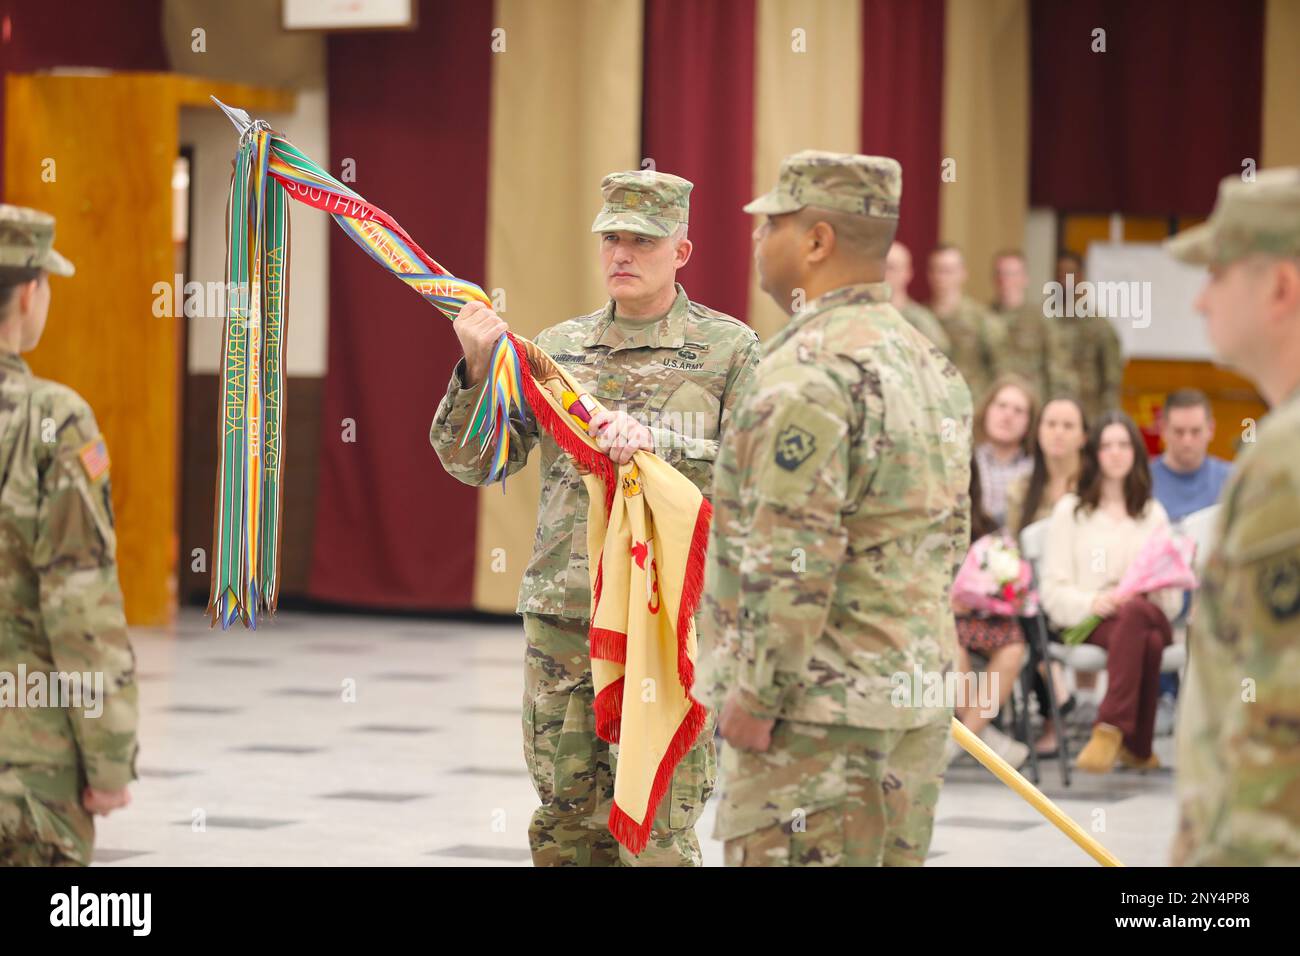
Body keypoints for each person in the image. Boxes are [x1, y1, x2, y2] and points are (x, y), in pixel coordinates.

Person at [430, 171, 760, 867]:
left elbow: (754, 478)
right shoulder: (559, 350)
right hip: (568, 615)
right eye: (611, 237)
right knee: (567, 821)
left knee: (658, 828)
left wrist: (658, 443)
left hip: (668, 620)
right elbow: (476, 462)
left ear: (682, 251)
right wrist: (474, 365)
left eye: (642, 239)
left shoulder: (731, 351)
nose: (621, 252)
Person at [702, 151, 971, 866]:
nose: (758, 239)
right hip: (908, 706)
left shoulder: (807, 372)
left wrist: (756, 697)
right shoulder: (931, 364)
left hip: (815, 724)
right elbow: (953, 538)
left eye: (773, 225)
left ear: (817, 242)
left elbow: (794, 559)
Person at [1166, 167, 1300, 866]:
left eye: (1217, 274)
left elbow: (1279, 725)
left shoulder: (1287, 459)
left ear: (1280, 287)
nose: (1199, 300)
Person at [0, 204, 138, 866]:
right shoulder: (53, 422)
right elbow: (78, 608)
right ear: (29, 293)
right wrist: (109, 756)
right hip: (24, 772)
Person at [1040, 411, 1181, 773]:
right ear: (1094, 454)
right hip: (1091, 620)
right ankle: (1137, 749)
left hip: (1151, 614)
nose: (1116, 453)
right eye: (1107, 446)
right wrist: (1093, 601)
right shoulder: (1070, 511)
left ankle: (1109, 727)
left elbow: (1173, 598)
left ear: (1135, 451)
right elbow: (1052, 591)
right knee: (1143, 638)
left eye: (1123, 445)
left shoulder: (1153, 513)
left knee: (1136, 614)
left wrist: (1149, 594)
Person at [1005, 396, 1089, 757]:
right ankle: (1056, 698)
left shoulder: (1093, 487)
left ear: (1083, 436)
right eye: (1050, 424)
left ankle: (1056, 708)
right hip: (1032, 597)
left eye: (1068, 425)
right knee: (1023, 605)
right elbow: (1012, 552)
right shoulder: (1021, 488)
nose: (1058, 433)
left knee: (1033, 611)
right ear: (1037, 432)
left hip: (1080, 593)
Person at [948, 456, 1028, 769]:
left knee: (1013, 645)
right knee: (950, 642)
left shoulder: (986, 526)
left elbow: (1006, 578)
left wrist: (999, 590)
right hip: (939, 618)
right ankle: (981, 740)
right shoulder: (921, 523)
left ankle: (962, 736)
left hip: (983, 618)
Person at [1047, 250, 1123, 423]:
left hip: (1088, 416)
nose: (1064, 279)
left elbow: (1111, 381)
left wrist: (1110, 421)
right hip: (1052, 413)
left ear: (1081, 277)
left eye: (1070, 273)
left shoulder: (1099, 326)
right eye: (1060, 274)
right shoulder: (1045, 323)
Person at [928, 243, 1005, 401]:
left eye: (948, 271)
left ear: (963, 274)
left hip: (972, 406)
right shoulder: (921, 317)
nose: (941, 277)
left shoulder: (982, 319)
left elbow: (1001, 371)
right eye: (936, 270)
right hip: (931, 405)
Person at [1151, 388, 1232, 523]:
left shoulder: (1232, 479)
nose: (1187, 441)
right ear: (1163, 429)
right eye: (1179, 432)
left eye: (1195, 431)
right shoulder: (1142, 482)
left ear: (1211, 429)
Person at [973, 374, 1037, 529]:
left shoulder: (1036, 469)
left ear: (1030, 422)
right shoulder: (963, 462)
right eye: (1001, 405)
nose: (1008, 415)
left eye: (1018, 410)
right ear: (986, 410)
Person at [990, 249, 1051, 402]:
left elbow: (1056, 369)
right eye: (1000, 273)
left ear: (1025, 279)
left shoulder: (1041, 319)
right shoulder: (983, 317)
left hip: (1031, 402)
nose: (1005, 279)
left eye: (1012, 274)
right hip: (996, 402)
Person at [885, 240, 950, 352]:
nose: (884, 273)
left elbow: (938, 361)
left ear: (907, 273)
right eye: (880, 266)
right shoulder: (864, 315)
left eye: (891, 268)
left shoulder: (922, 321)